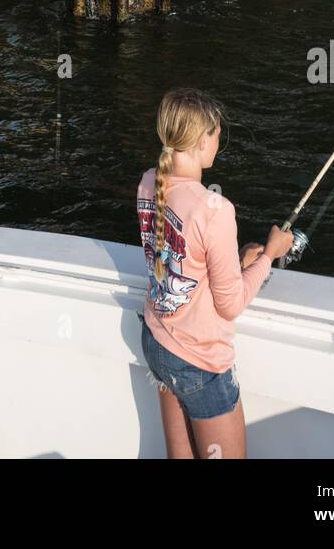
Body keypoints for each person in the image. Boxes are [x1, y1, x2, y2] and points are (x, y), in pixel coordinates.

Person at [137, 87, 293, 460]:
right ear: (199, 140)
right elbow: (230, 304)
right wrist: (269, 255)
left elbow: (178, 255)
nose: (218, 138)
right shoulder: (215, 209)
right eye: (215, 132)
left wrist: (236, 261)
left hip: (157, 342)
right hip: (199, 363)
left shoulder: (147, 181)